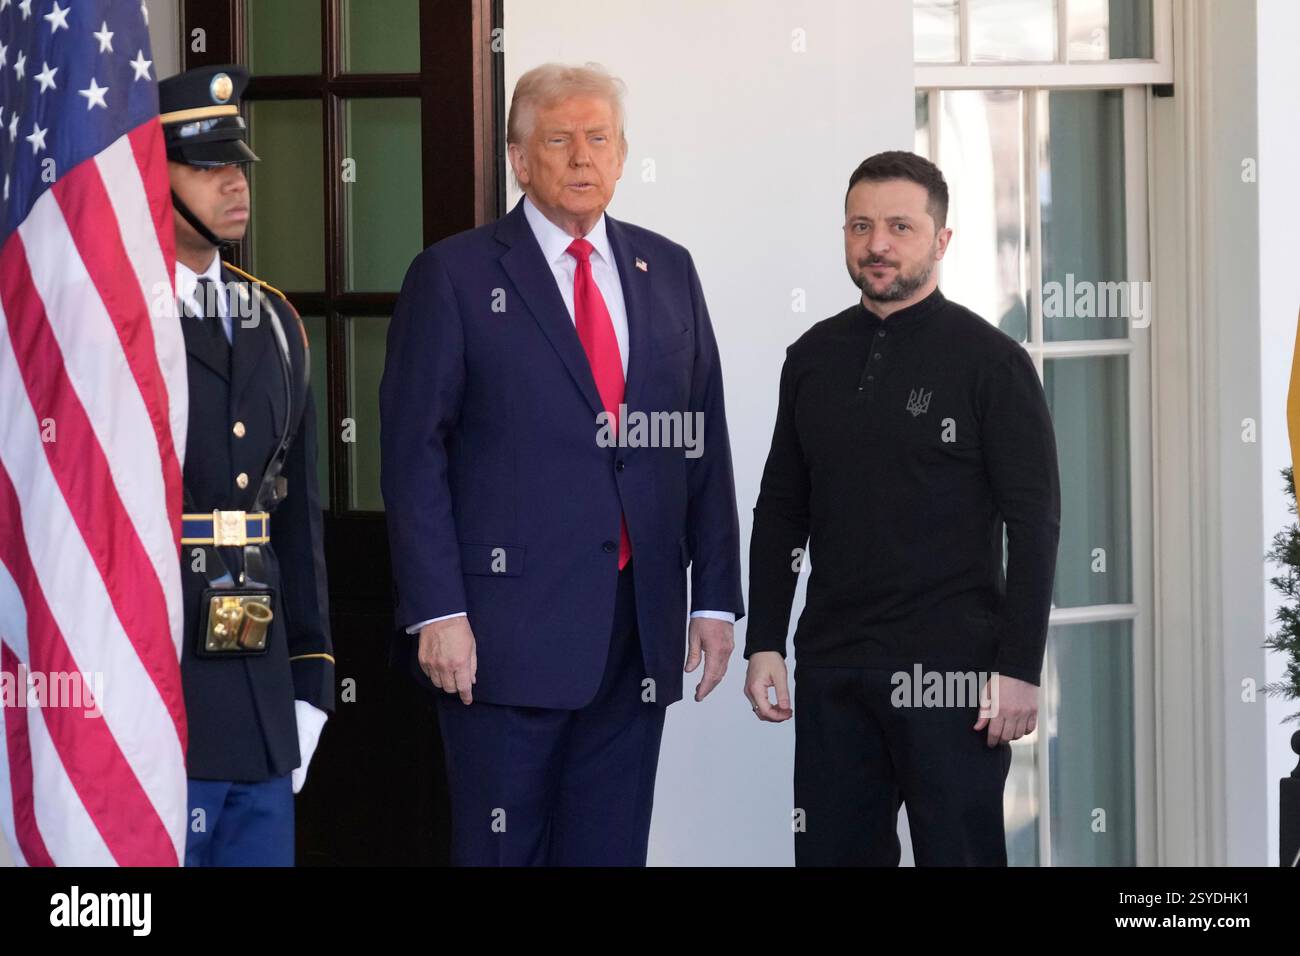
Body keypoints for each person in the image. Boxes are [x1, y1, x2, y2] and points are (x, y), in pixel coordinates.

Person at [380, 62, 744, 866]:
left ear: (622, 156)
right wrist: (437, 611)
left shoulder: (668, 268)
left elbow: (701, 441)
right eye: (558, 139)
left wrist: (714, 598)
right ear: (519, 158)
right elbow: (414, 458)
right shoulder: (455, 275)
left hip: (636, 636)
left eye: (599, 139)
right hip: (501, 641)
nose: (582, 158)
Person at [744, 151, 1060, 866]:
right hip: (833, 666)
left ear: (941, 241)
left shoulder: (993, 364)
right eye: (860, 226)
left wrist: (1020, 668)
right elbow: (781, 509)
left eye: (899, 226)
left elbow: (1034, 526)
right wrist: (766, 637)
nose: (876, 244)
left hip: (954, 675)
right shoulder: (812, 356)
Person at [161, 65, 333, 867]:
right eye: (206, 166)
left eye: (239, 165)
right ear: (151, 180)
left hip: (260, 693)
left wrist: (311, 676)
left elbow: (294, 518)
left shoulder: (276, 322)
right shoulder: (113, 320)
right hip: (156, 687)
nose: (235, 184)